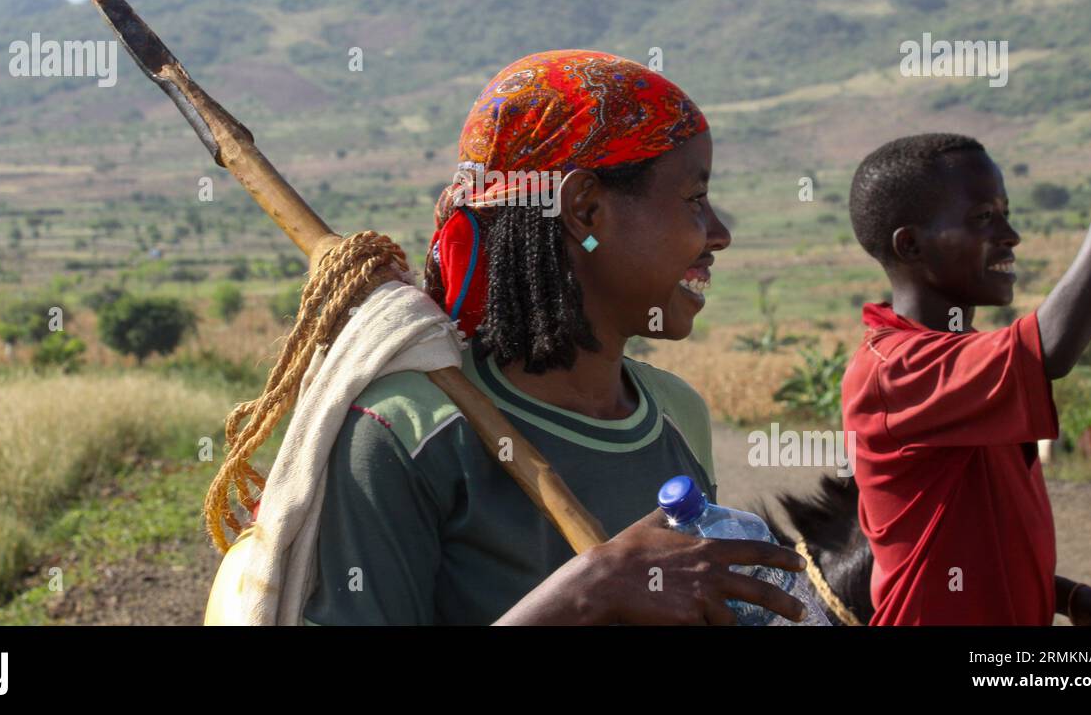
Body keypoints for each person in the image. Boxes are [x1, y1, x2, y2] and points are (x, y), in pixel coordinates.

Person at [300, 49, 810, 625]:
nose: (719, 234)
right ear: (585, 210)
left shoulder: (675, 413)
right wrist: (589, 590)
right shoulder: (411, 432)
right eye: (695, 199)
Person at [843, 85, 1091, 625]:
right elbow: (1052, 348)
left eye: (1006, 214)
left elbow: (972, 542)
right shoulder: (896, 371)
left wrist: (1067, 597)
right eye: (984, 217)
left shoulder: (969, 369)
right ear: (910, 245)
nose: (1011, 236)